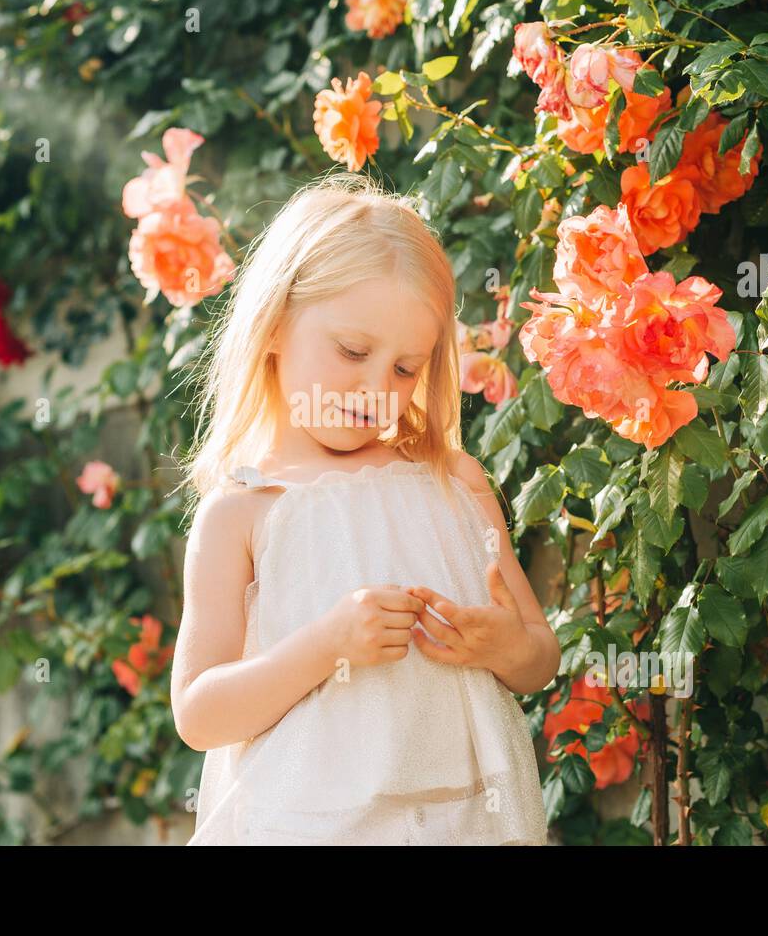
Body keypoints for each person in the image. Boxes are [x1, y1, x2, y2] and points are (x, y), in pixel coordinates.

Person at [171, 171, 558, 845]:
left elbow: (539, 656)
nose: (378, 388)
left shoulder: (454, 482)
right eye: (353, 351)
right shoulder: (244, 511)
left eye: (407, 368)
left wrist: (501, 644)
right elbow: (200, 713)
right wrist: (328, 645)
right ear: (274, 325)